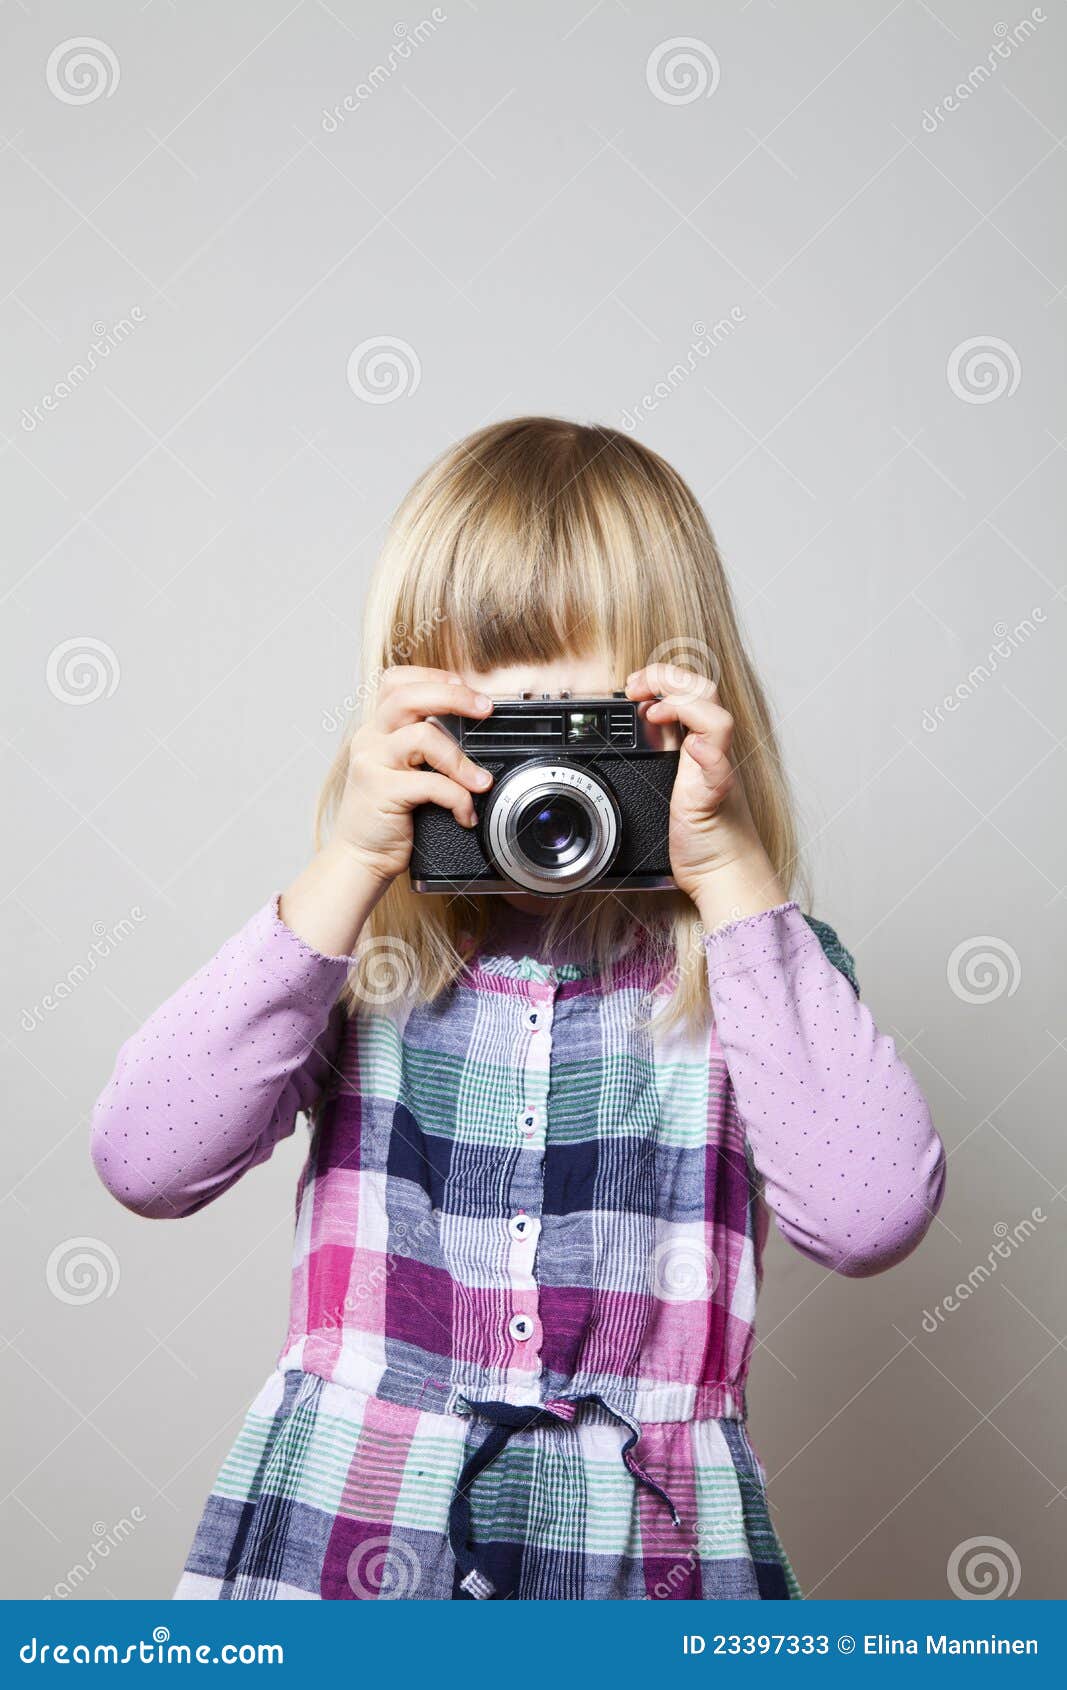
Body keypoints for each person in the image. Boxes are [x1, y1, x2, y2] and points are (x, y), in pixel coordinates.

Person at [91, 417, 946, 1600]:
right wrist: (349, 863)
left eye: (585, 736)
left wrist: (732, 875)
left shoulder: (753, 974)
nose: (542, 781)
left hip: (639, 1564)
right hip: (347, 1540)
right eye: (496, 730)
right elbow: (144, 1160)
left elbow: (870, 1218)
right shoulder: (357, 954)